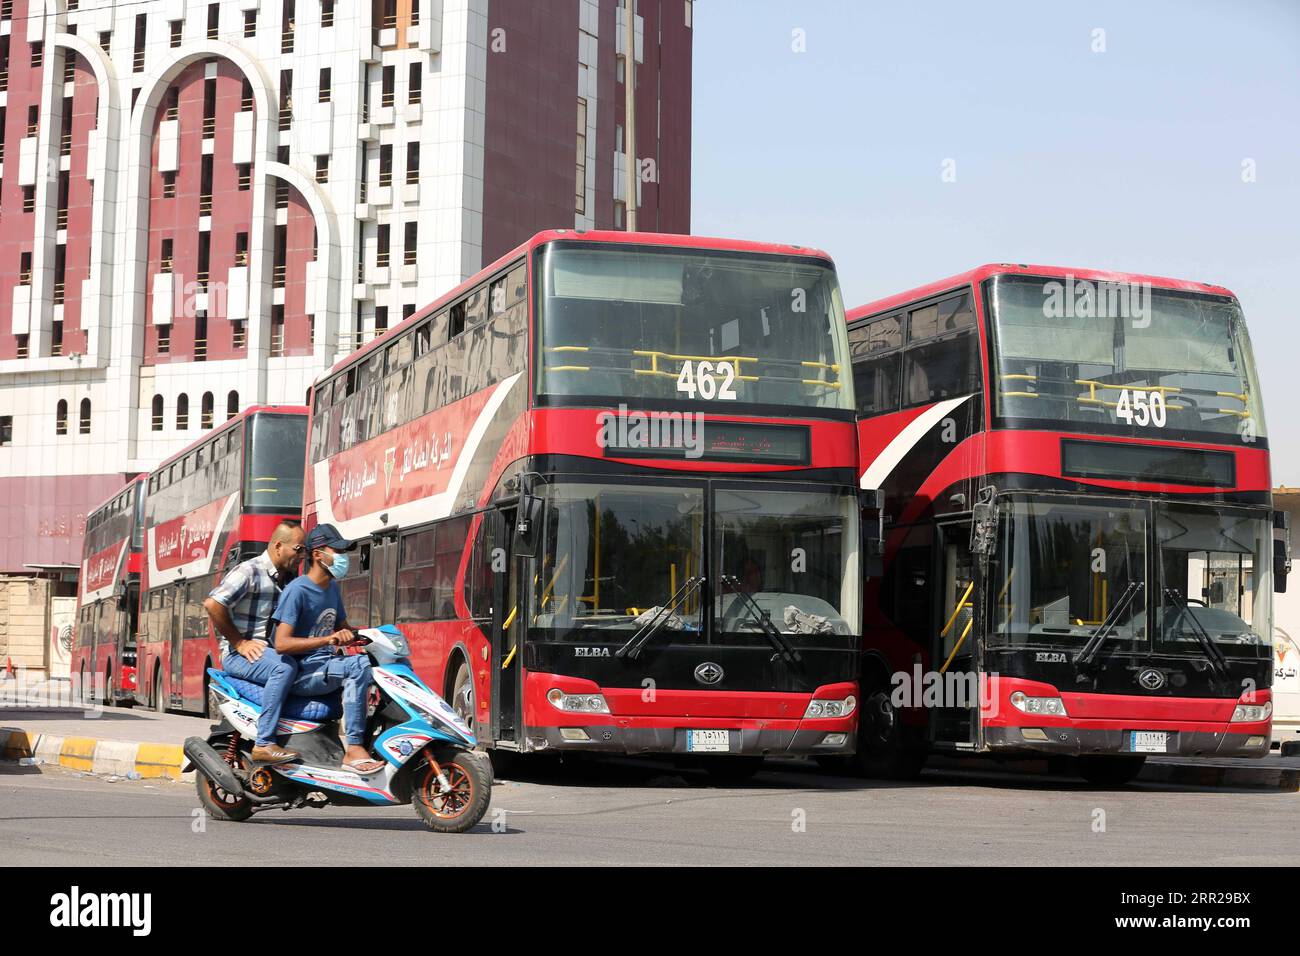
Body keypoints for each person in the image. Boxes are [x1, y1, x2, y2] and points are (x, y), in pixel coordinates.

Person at [271, 523, 384, 775]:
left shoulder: (331, 588)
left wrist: (377, 635)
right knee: (356, 666)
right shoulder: (297, 590)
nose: (343, 558)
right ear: (318, 555)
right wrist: (328, 640)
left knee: (377, 666)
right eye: (338, 551)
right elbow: (281, 643)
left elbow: (344, 628)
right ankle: (354, 747)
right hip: (303, 671)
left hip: (325, 666)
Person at [204, 521, 306, 764]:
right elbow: (213, 604)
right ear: (279, 546)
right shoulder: (249, 571)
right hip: (240, 656)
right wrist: (239, 642)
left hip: (267, 654)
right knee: (285, 667)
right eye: (298, 549)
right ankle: (264, 743)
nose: (301, 556)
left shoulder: (289, 579)